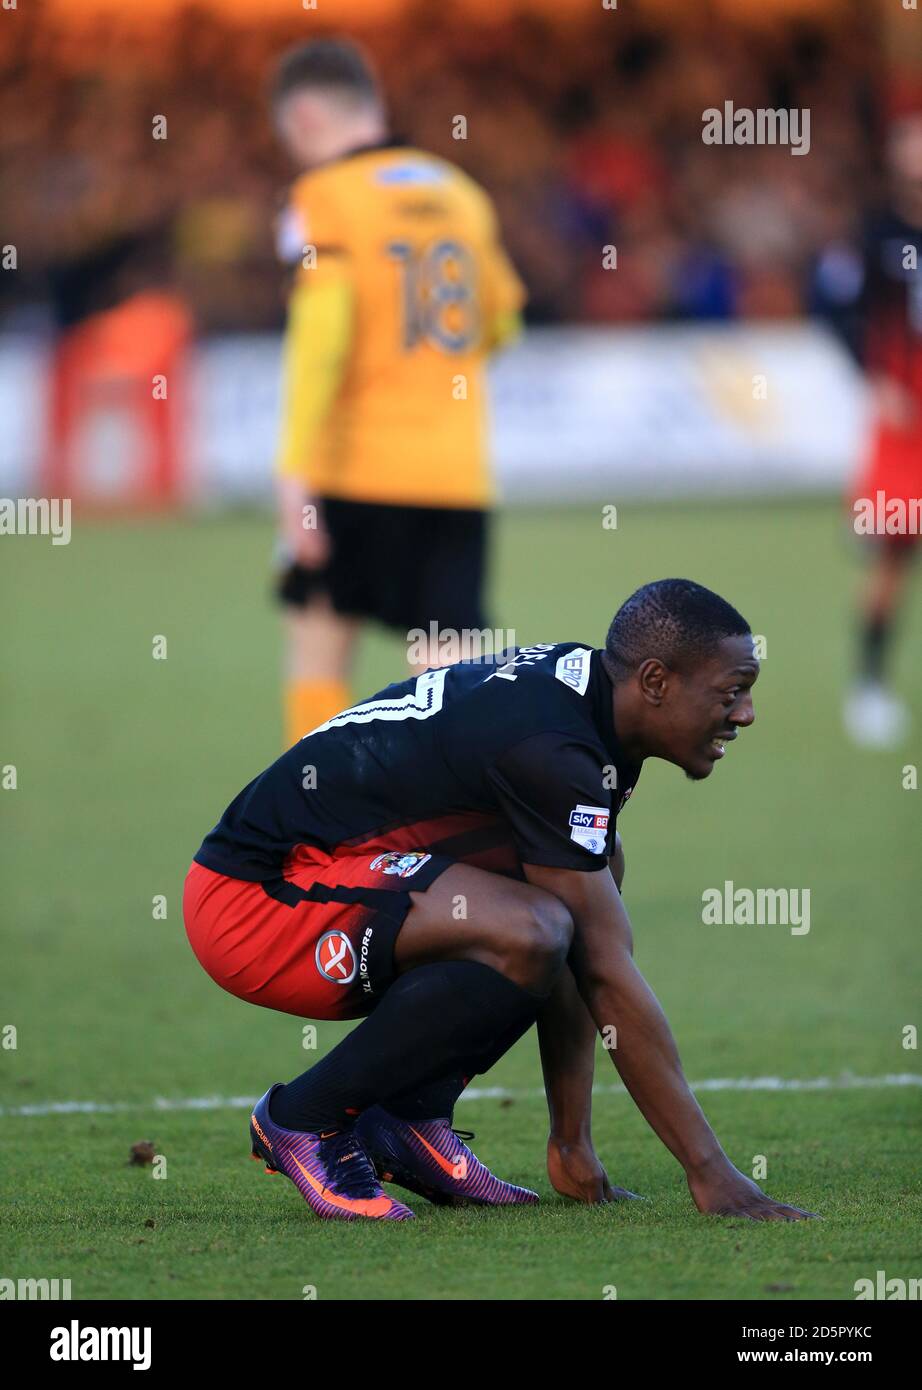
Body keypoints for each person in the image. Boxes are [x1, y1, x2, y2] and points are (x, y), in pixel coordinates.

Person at [183, 578, 816, 1224]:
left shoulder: (589, 702)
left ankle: (411, 1118)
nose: (745, 714)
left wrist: (573, 1147)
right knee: (535, 928)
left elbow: (589, 944)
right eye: (731, 692)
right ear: (655, 682)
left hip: (329, 872)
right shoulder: (554, 751)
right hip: (253, 901)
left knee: (583, 884)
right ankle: (302, 1119)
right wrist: (712, 1174)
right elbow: (602, 966)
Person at [270, 38, 525, 747]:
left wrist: (294, 470)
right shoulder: (459, 192)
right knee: (451, 668)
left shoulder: (323, 198)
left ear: (307, 116)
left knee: (319, 634)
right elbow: (500, 320)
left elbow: (321, 338)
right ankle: (461, 838)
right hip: (454, 473)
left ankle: (316, 828)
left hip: (355, 465)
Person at [832, 116, 922, 747]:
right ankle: (868, 686)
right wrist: (877, 379)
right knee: (893, 557)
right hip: (906, 418)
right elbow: (843, 309)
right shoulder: (878, 233)